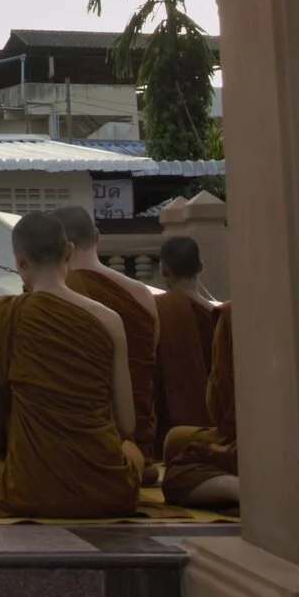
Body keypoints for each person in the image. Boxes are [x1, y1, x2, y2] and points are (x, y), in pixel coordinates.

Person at [0, 210, 142, 519]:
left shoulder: (3, 318)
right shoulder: (109, 320)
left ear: (19, 260)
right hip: (107, 487)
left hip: (29, 488)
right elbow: (127, 424)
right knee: (134, 455)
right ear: (69, 252)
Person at [54, 203, 160, 465]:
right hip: (135, 444)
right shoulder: (142, 294)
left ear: (59, 247)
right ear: (97, 236)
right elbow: (150, 356)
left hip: (73, 445)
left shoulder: (51, 297)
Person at [161, 302, 240, 508]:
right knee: (175, 440)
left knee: (178, 473)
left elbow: (220, 400)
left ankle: (241, 489)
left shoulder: (233, 313)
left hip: (252, 442)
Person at [150, 234, 221, 445]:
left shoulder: (155, 311)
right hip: (217, 426)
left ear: (164, 271)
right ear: (200, 266)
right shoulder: (221, 317)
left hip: (169, 433)